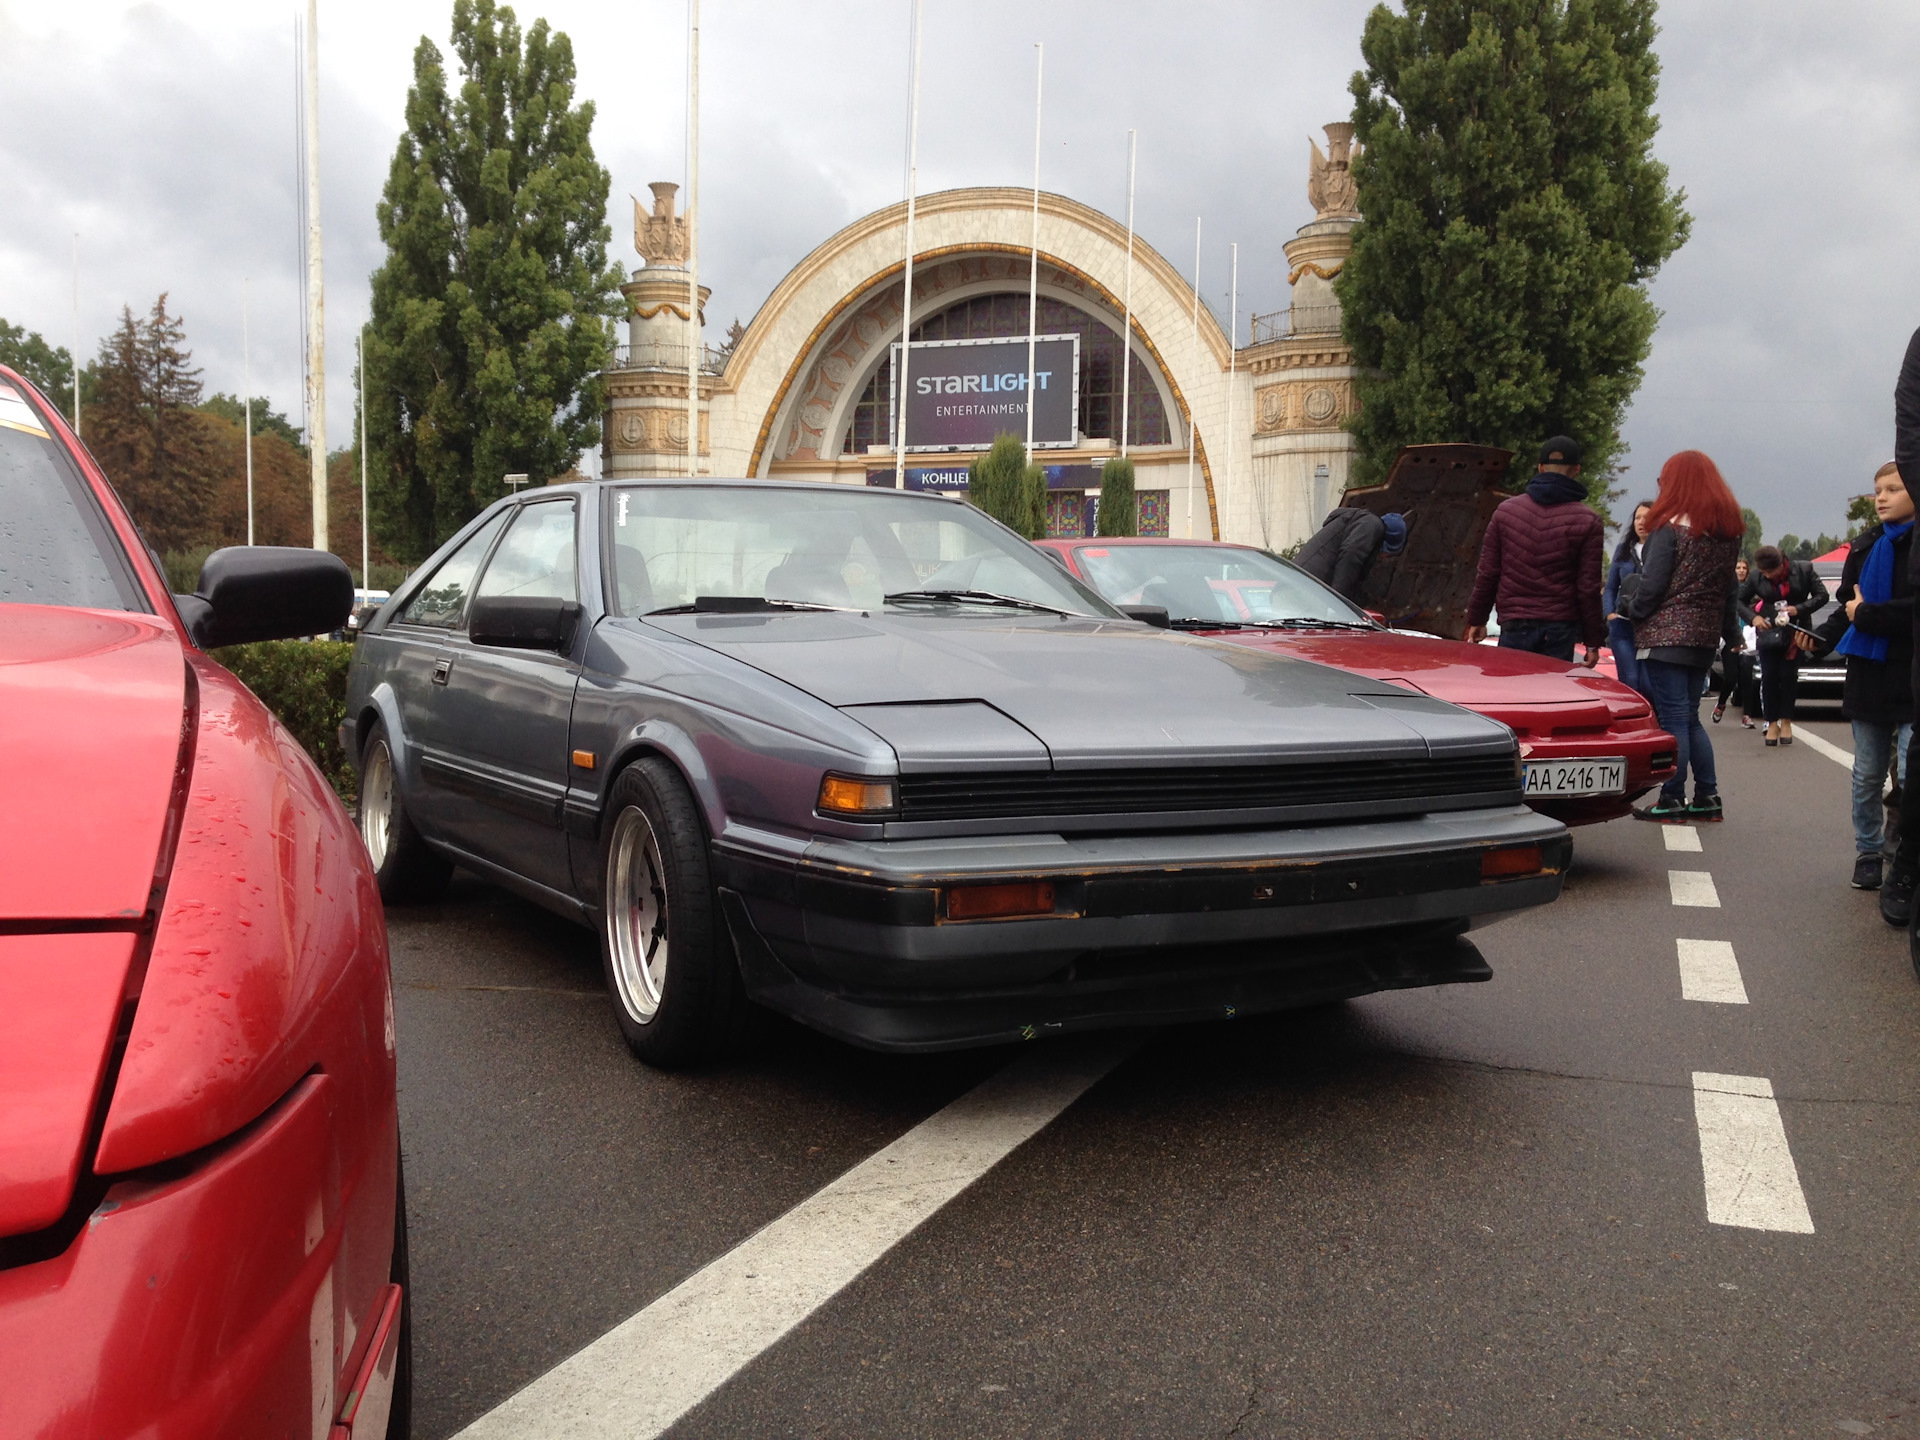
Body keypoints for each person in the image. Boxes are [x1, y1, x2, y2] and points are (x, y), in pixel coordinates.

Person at [1619, 450, 1745, 822]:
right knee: (1690, 717)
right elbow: (1729, 592)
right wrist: (1730, 632)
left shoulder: (1669, 527)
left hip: (1665, 636)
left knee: (1674, 719)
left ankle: (1672, 797)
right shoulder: (1727, 533)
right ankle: (1707, 796)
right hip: (1704, 638)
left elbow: (1653, 585)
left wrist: (1632, 610)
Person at [1808, 462, 1913, 891]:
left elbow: (1899, 612)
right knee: (1867, 773)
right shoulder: (1866, 545)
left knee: (1910, 774)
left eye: (1893, 488)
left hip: (1911, 675)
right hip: (1870, 674)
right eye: (1877, 490)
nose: (1882, 498)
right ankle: (1868, 852)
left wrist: (1867, 614)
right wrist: (1816, 639)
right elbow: (1846, 607)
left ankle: (1906, 853)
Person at [1465, 436, 1605, 665]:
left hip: (1514, 623)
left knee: (1512, 693)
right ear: (1577, 469)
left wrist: (1477, 619)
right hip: (1559, 627)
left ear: (1540, 468)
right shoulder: (1588, 521)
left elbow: (1488, 573)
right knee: (1548, 695)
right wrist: (1592, 641)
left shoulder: (1506, 512)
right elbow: (1588, 588)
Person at [1744, 544, 1829, 746]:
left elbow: (1822, 596)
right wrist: (1753, 618)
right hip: (1768, 630)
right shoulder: (1756, 576)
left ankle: (1787, 721)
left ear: (1782, 565)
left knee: (1788, 676)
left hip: (1795, 631)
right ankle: (1772, 722)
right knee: (1769, 676)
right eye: (1764, 572)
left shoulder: (1804, 570)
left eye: (1771, 572)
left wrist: (1798, 609)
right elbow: (1738, 601)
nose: (1767, 576)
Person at [1294, 507, 1408, 603]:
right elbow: (1350, 559)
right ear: (1386, 542)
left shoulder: (1358, 523)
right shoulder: (1371, 525)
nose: (1383, 558)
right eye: (1388, 553)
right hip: (1309, 585)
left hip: (1302, 581)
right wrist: (1337, 602)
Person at [1604, 501, 1655, 698]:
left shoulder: (1662, 549)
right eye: (1637, 518)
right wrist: (1609, 613)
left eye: (1647, 518)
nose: (1641, 522)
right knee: (1631, 681)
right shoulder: (1623, 549)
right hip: (1623, 626)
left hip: (1650, 628)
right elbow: (1610, 586)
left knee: (1649, 685)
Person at [1712, 558, 1759, 726]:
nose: (1740, 570)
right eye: (1737, 567)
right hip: (1730, 639)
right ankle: (1721, 703)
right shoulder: (1727, 590)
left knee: (1747, 678)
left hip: (1748, 639)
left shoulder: (1753, 593)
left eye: (1743, 568)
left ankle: (1747, 716)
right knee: (1731, 677)